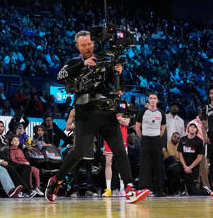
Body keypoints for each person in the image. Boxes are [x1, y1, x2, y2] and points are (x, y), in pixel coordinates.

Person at [44, 30, 150, 204]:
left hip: (107, 112)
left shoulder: (104, 61)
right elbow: (60, 76)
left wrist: (118, 73)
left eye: (89, 44)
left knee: (120, 151)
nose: (87, 47)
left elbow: (119, 88)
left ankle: (130, 189)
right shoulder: (74, 62)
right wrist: (83, 65)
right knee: (78, 153)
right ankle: (56, 181)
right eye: (83, 45)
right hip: (85, 113)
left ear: (94, 43)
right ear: (77, 46)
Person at [136, 92, 166, 197]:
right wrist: (143, 137)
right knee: (145, 165)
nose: (152, 100)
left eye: (154, 98)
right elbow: (137, 127)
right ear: (148, 100)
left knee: (158, 165)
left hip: (156, 140)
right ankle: (145, 188)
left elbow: (163, 128)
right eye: (151, 98)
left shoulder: (161, 113)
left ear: (157, 100)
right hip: (145, 140)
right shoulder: (143, 112)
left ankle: (159, 190)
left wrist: (156, 136)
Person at [173, 123, 206, 196]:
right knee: (172, 169)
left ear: (196, 130)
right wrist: (185, 166)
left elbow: (199, 158)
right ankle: (179, 189)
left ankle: (206, 190)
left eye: (194, 127)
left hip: (193, 168)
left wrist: (189, 167)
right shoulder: (182, 139)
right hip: (183, 165)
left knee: (193, 192)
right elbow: (180, 154)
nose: (192, 128)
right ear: (187, 129)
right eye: (190, 127)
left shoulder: (199, 141)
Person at [102, 112, 130, 197]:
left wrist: (116, 120)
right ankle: (108, 189)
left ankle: (122, 189)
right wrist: (119, 120)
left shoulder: (126, 112)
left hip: (122, 140)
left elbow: (126, 122)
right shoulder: (109, 111)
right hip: (109, 138)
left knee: (122, 164)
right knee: (108, 163)